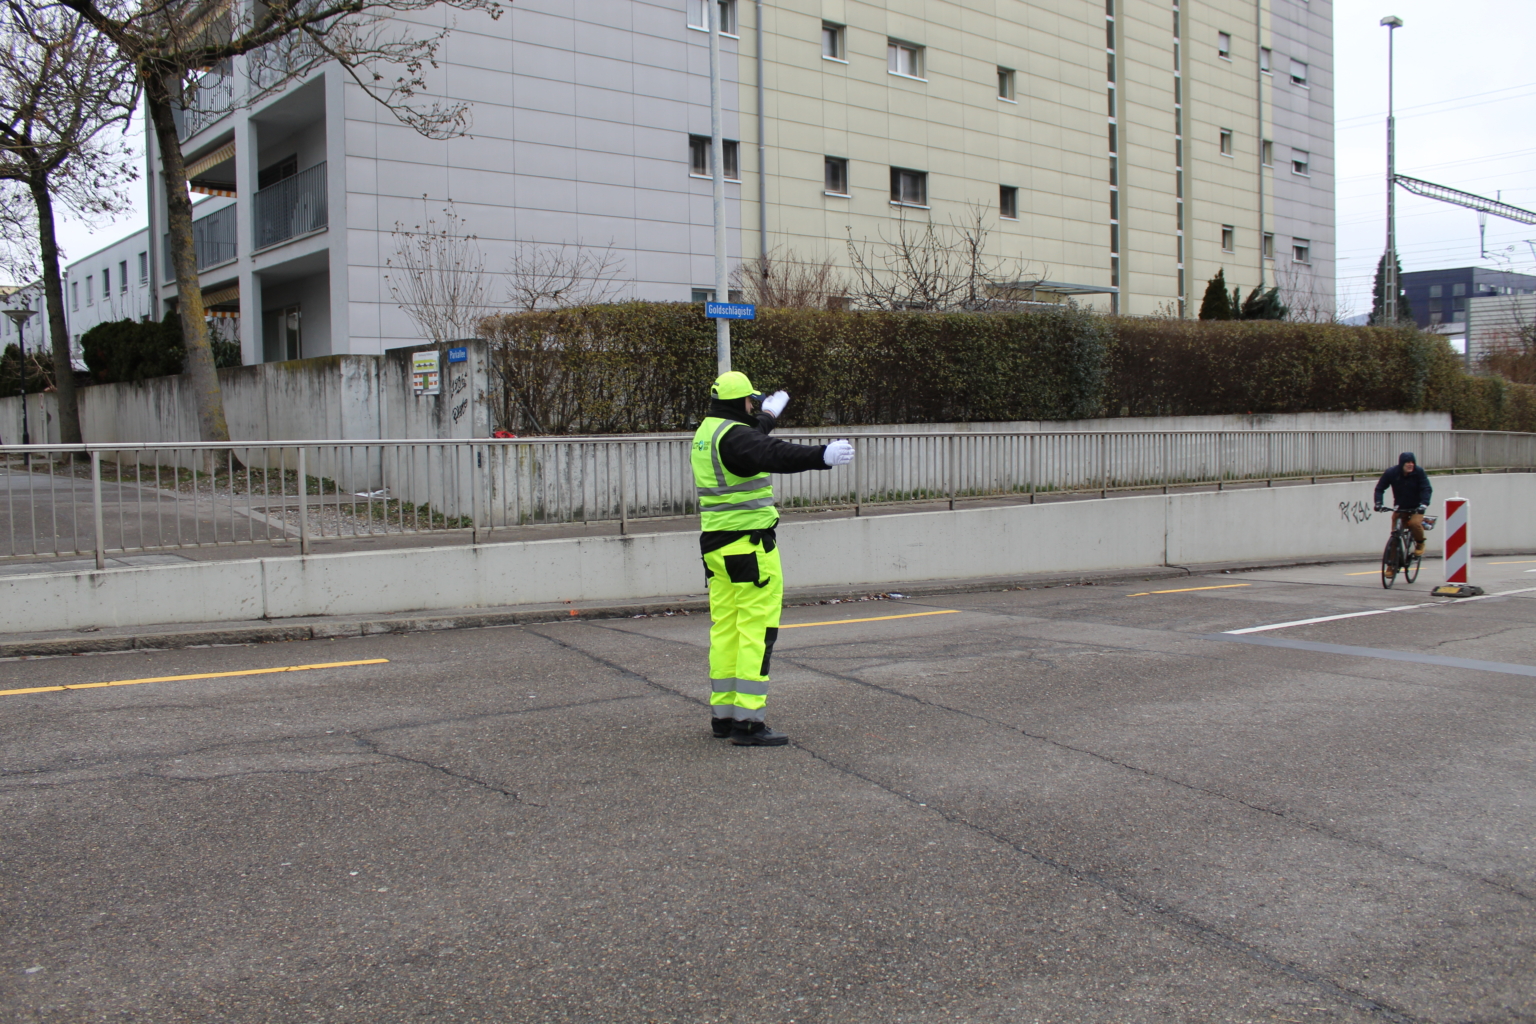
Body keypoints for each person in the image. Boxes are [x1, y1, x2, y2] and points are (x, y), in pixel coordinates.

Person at [691, 370, 855, 746]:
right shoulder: (734, 437)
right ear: (739, 403)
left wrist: (768, 415)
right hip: (750, 550)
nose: (753, 407)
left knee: (727, 630)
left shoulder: (708, 432)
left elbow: (751, 439)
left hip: (718, 549)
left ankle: (725, 716)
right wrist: (822, 456)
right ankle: (748, 724)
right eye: (750, 401)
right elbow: (769, 452)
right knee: (756, 632)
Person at [1373, 451, 1433, 557]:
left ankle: (1420, 543)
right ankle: (1392, 565)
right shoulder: (1391, 473)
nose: (1411, 465)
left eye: (1412, 462)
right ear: (1401, 464)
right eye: (1407, 462)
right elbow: (1380, 488)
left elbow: (1426, 488)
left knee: (1415, 524)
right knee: (1395, 535)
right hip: (1400, 508)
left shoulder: (1419, 472)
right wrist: (1378, 503)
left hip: (1417, 508)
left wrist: (1424, 504)